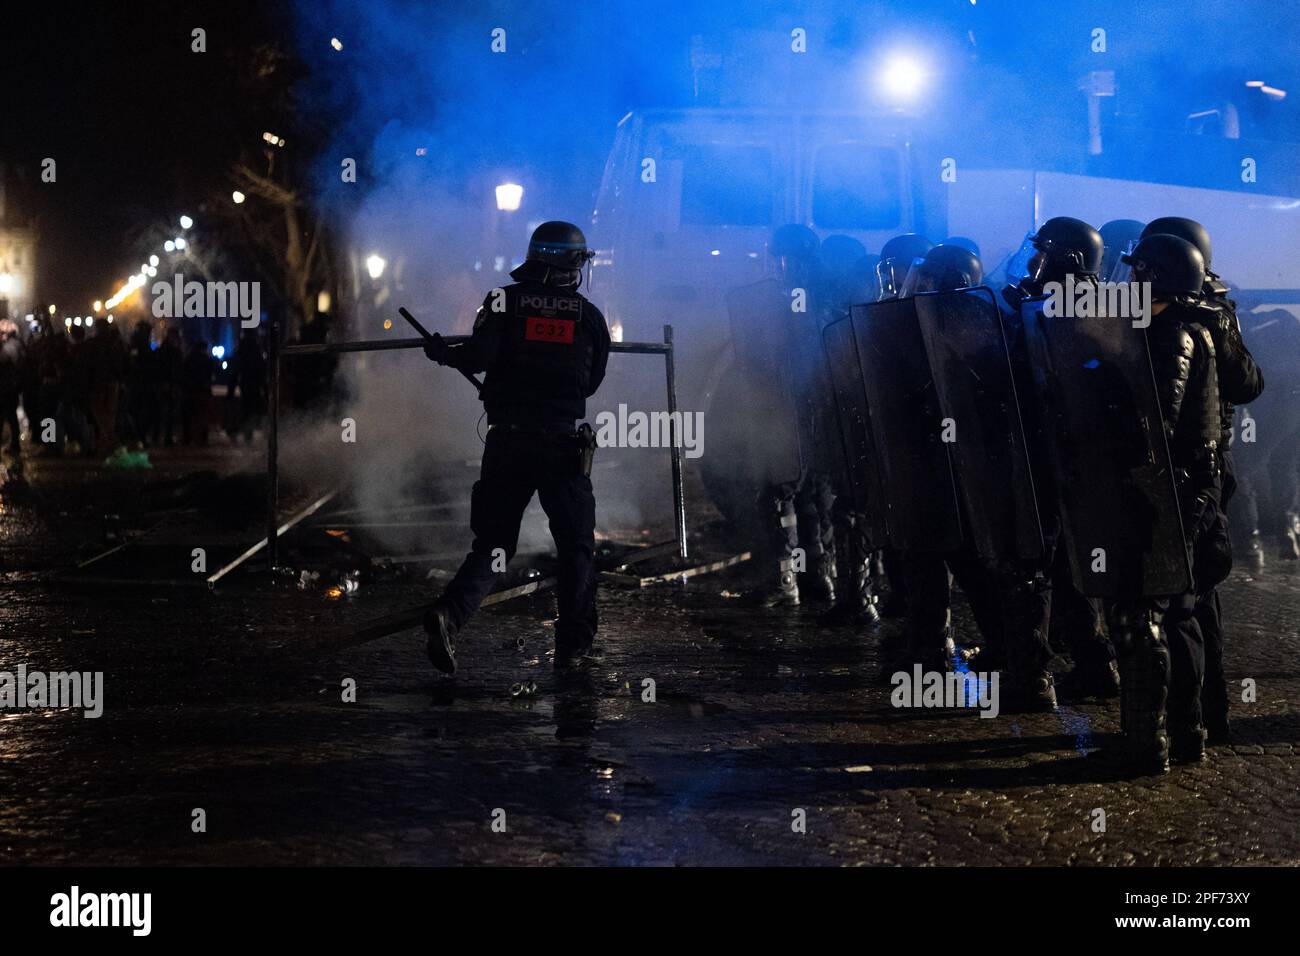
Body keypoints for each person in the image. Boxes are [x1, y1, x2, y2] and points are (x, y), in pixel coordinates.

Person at [422, 220, 611, 673]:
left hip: (508, 441)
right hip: (562, 445)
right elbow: (594, 381)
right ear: (572, 264)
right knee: (575, 547)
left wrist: (442, 353)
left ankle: (450, 615)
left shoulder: (503, 301)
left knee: (493, 544)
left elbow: (477, 357)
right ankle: (573, 647)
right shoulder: (587, 316)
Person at [1138, 218, 1264, 745]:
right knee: (1189, 591)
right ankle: (1199, 717)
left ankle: (1205, 716)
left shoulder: (1210, 311)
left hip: (1203, 464)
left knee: (1192, 591)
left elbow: (1248, 384)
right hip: (1184, 464)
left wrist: (1217, 324)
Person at [1114, 233, 1224, 770]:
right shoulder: (1175, 329)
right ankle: (1186, 734)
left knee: (1145, 612)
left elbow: (1155, 421)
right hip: (1187, 488)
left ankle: (1146, 743)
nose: (1127, 281)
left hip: (1173, 491)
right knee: (1179, 613)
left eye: (1137, 273)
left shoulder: (1170, 336)